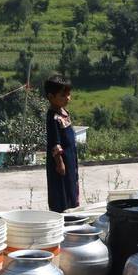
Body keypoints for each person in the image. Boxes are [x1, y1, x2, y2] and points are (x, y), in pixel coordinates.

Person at [44, 74, 80, 213]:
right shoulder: (53, 117)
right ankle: (63, 214)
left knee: (71, 185)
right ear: (51, 97)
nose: (68, 98)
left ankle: (73, 210)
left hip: (70, 158)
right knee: (61, 189)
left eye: (68, 94)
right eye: (63, 95)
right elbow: (55, 142)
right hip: (61, 163)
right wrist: (60, 163)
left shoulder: (64, 112)